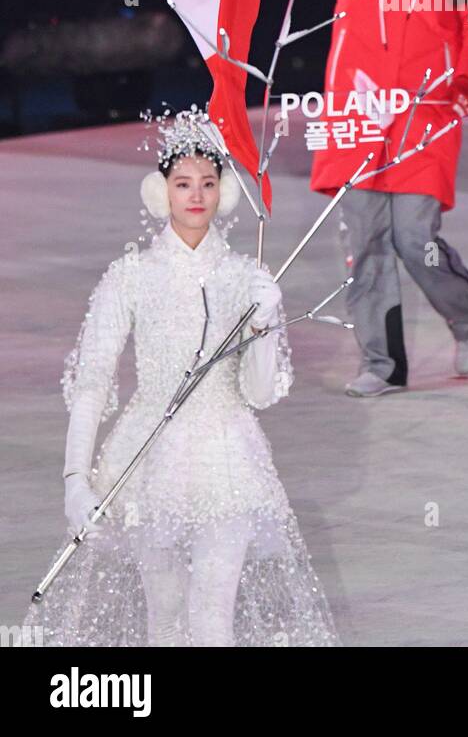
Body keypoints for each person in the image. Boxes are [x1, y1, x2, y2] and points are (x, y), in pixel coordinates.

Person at [24, 110, 338, 647]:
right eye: (183, 183)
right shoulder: (132, 276)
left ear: (225, 194)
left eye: (209, 184)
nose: (196, 196)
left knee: (213, 620)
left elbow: (260, 394)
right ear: (161, 191)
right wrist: (75, 479)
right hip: (150, 460)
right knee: (164, 619)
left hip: (227, 460)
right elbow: (93, 380)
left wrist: (264, 323)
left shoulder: (245, 277)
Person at [290, 0, 468, 397]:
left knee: (414, 237)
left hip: (426, 109)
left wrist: (465, 83)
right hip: (357, 106)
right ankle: (381, 364)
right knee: (364, 241)